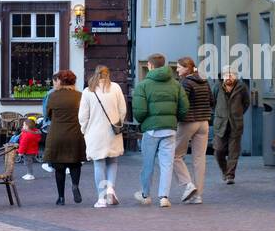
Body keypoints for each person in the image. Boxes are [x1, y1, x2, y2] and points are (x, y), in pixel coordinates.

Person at [131, 53, 189, 207]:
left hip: (151, 130)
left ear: (150, 65)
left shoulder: (143, 85)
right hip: (170, 129)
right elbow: (184, 108)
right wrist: (174, 119)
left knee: (148, 164)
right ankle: (164, 197)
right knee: (167, 164)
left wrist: (143, 122)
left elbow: (139, 111)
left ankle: (145, 194)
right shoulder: (176, 84)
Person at [78, 65, 127, 207]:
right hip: (113, 131)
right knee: (113, 162)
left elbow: (83, 116)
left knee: (98, 164)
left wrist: (84, 130)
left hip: (94, 133)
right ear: (108, 74)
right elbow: (122, 110)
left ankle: (101, 198)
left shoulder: (88, 91)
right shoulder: (116, 88)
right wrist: (118, 123)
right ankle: (110, 189)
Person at [43, 70, 86, 205]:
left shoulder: (53, 96)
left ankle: (61, 198)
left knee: (59, 167)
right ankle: (75, 185)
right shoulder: (80, 96)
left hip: (57, 134)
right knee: (75, 163)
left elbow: (47, 115)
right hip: (75, 133)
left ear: (60, 81)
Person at [173, 56, 212, 204]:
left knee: (175, 155)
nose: (177, 69)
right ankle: (198, 195)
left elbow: (183, 105)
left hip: (189, 122)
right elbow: (212, 101)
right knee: (199, 159)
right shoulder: (204, 81)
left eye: (179, 67)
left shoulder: (185, 83)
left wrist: (178, 117)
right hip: (204, 123)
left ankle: (188, 185)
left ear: (187, 68)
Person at [213, 69, 250, 184]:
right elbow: (213, 102)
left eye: (231, 75)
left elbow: (246, 103)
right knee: (218, 150)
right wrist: (220, 113)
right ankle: (225, 170)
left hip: (235, 123)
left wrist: (237, 113)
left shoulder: (242, 87)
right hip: (221, 123)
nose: (228, 77)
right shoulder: (217, 87)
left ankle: (230, 175)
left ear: (235, 76)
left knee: (234, 151)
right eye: (226, 75)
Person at [15, 117, 42, 181]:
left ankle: (30, 174)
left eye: (24, 125)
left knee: (28, 163)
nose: (23, 126)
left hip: (27, 152)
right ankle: (29, 173)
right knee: (29, 163)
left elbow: (23, 144)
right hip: (32, 150)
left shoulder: (27, 135)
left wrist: (20, 152)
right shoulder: (34, 133)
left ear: (27, 126)